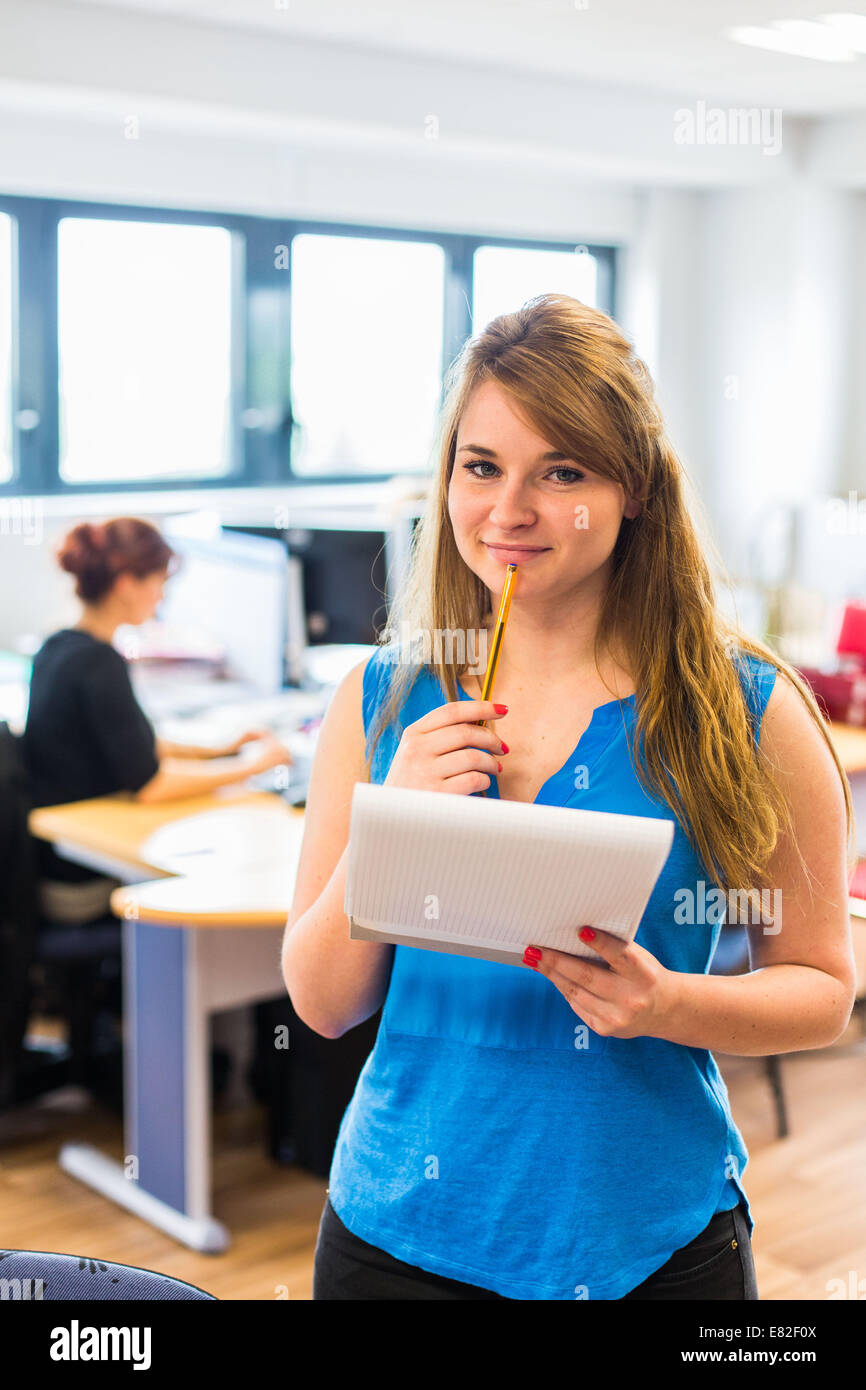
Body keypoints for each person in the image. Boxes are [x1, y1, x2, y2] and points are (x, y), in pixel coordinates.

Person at [282, 293, 857, 1301]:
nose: (507, 511)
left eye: (562, 472)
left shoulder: (748, 710)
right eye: (480, 466)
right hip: (392, 1238)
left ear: (632, 487)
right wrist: (396, 826)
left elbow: (819, 989)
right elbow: (322, 1003)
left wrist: (666, 1001)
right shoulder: (379, 702)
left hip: (649, 1247)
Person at [23, 516, 291, 925]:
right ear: (127, 583)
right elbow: (151, 784)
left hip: (52, 856)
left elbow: (129, 742)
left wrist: (222, 748)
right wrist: (254, 764)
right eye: (159, 583)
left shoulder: (59, 645)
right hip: (80, 876)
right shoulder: (99, 664)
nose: (161, 597)